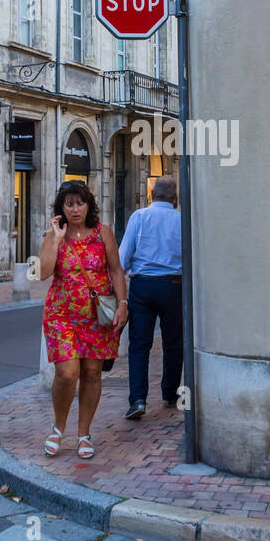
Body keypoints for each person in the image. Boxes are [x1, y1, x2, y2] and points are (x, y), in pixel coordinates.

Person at [39, 181, 128, 460]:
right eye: (69, 204)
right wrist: (54, 238)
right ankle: (57, 427)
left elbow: (115, 270)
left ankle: (84, 433)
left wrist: (123, 304)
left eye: (80, 203)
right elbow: (42, 273)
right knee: (67, 373)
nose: (75, 209)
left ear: (89, 205)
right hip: (61, 315)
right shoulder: (54, 236)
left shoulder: (104, 233)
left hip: (97, 316)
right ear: (61, 208)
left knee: (91, 373)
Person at [118, 176, 184, 420]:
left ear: (152, 195)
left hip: (143, 286)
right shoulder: (182, 220)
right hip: (173, 285)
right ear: (175, 198)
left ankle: (138, 399)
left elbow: (123, 257)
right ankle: (170, 393)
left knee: (139, 344)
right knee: (174, 343)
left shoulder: (140, 217)